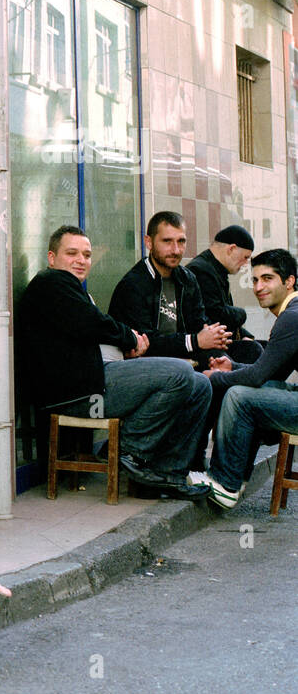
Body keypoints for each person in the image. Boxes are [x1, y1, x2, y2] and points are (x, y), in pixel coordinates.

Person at [16, 224, 211, 497]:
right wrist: (130, 338)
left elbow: (85, 330)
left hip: (99, 381)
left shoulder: (73, 290)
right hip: (79, 394)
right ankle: (128, 451)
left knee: (201, 384)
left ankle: (167, 472)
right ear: (52, 257)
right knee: (179, 372)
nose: (81, 260)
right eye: (72, 253)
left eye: (86, 254)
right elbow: (93, 323)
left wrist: (124, 347)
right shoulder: (52, 283)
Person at [203, 249, 298, 509]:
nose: (258, 287)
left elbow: (256, 377)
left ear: (289, 281)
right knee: (255, 391)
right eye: (255, 280)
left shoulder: (292, 317)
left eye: (267, 278)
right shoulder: (292, 313)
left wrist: (214, 377)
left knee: (240, 396)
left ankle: (225, 483)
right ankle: (237, 478)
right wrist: (232, 366)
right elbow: (270, 373)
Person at [108, 211, 231, 364]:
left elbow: (199, 323)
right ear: (149, 242)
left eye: (181, 241)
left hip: (187, 356)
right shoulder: (133, 284)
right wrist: (194, 341)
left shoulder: (187, 278)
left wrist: (216, 337)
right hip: (147, 363)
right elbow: (144, 342)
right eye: (167, 241)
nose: (176, 250)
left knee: (244, 353)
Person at [186, 224, 263, 364]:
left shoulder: (215, 270)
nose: (246, 264)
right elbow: (217, 314)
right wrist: (242, 314)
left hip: (220, 342)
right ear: (231, 249)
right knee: (254, 351)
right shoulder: (201, 270)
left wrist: (245, 335)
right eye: (245, 257)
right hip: (205, 348)